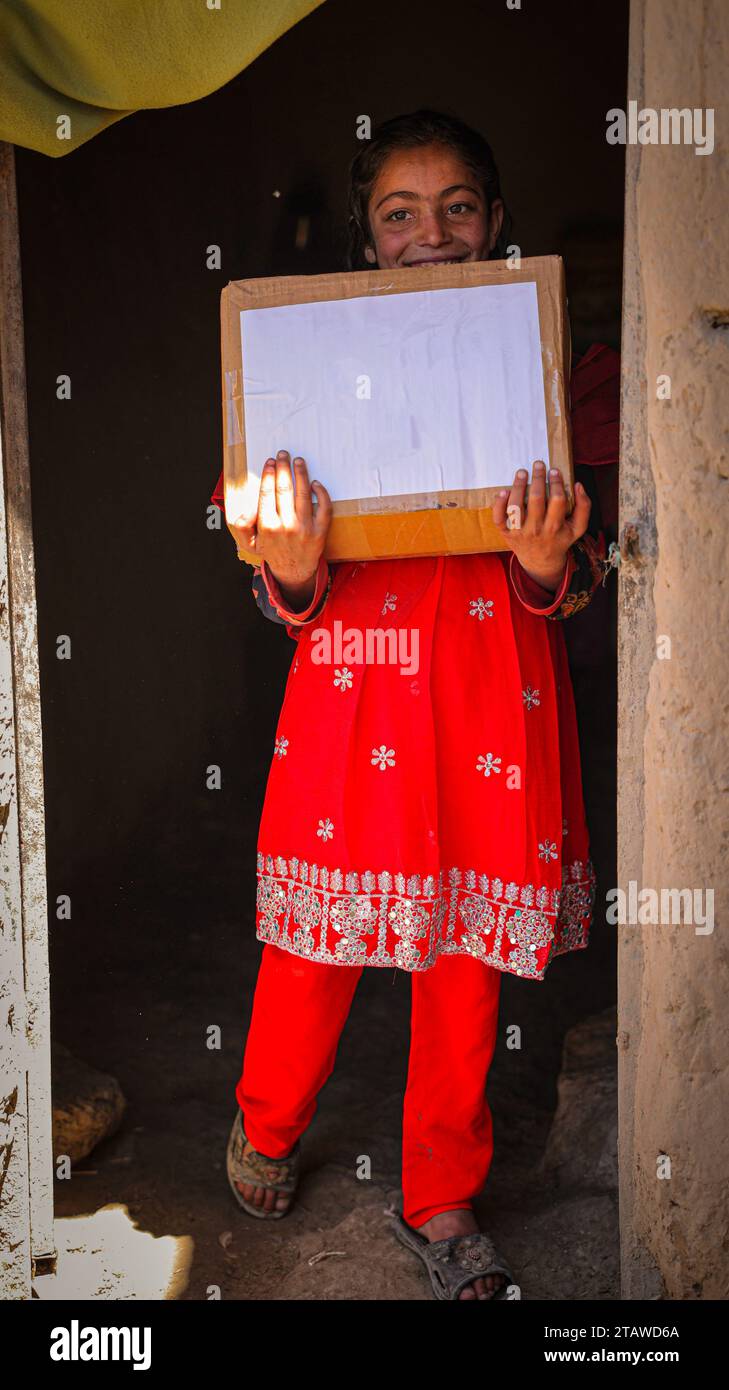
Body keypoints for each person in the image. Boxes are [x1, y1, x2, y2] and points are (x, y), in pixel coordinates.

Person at [210, 110, 619, 1301]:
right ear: (368, 238)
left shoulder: (545, 372)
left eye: (456, 208)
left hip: (494, 698)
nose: (430, 232)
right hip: (354, 693)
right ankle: (267, 1122)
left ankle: (441, 1194)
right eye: (400, 212)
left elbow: (579, 575)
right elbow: (280, 571)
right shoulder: (310, 362)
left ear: (496, 226)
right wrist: (287, 559)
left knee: (463, 962)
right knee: (311, 945)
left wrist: (546, 560)